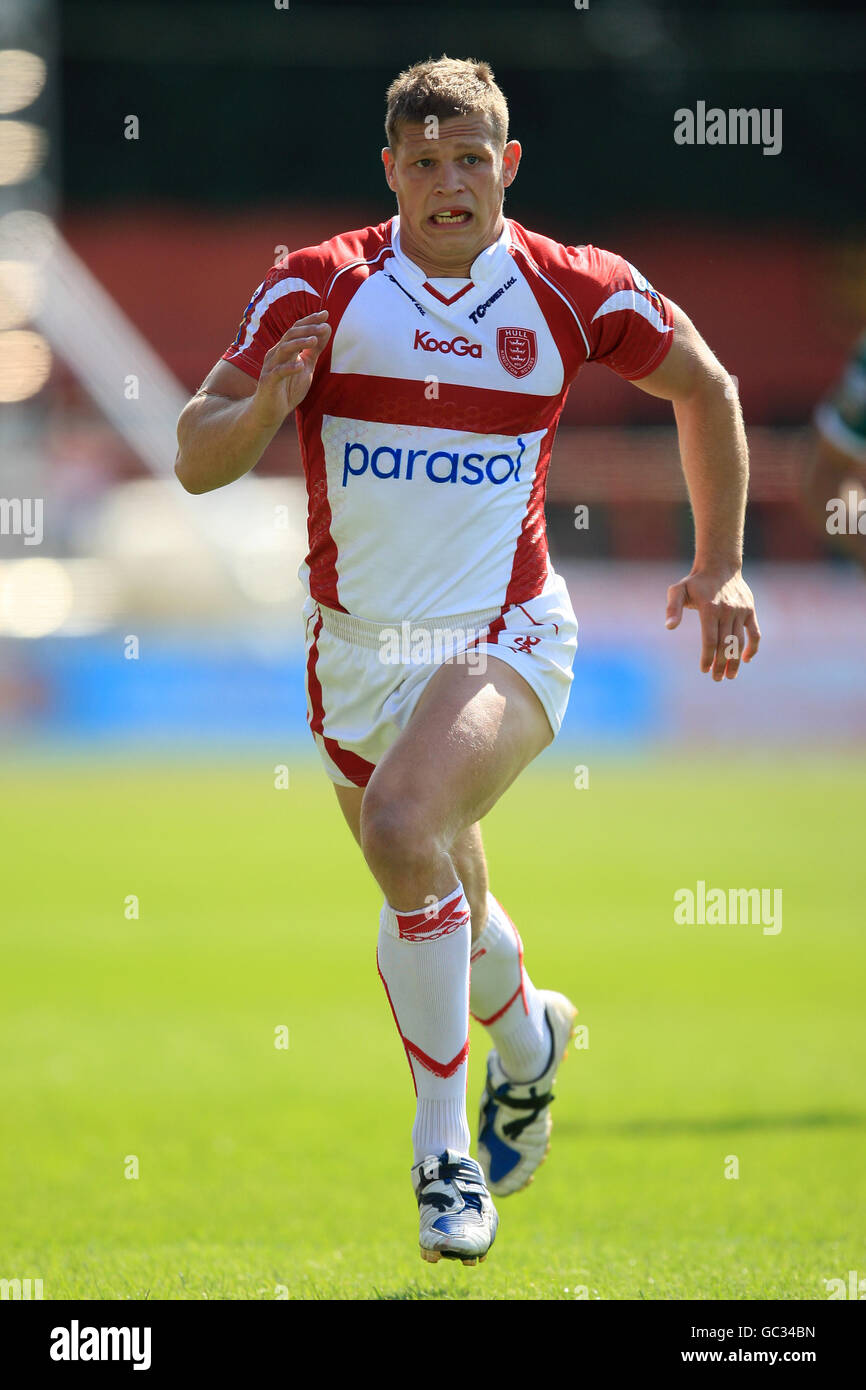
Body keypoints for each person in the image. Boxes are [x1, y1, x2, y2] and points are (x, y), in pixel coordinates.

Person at [175, 55, 761, 1266]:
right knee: (450, 900)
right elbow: (195, 454)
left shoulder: (566, 288)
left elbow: (703, 385)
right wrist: (260, 408)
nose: (449, 183)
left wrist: (720, 565)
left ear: (509, 165)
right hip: (352, 657)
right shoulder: (316, 287)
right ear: (389, 170)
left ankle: (443, 1153)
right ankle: (533, 1042)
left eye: (470, 159)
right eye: (424, 162)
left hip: (504, 637)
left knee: (400, 830)